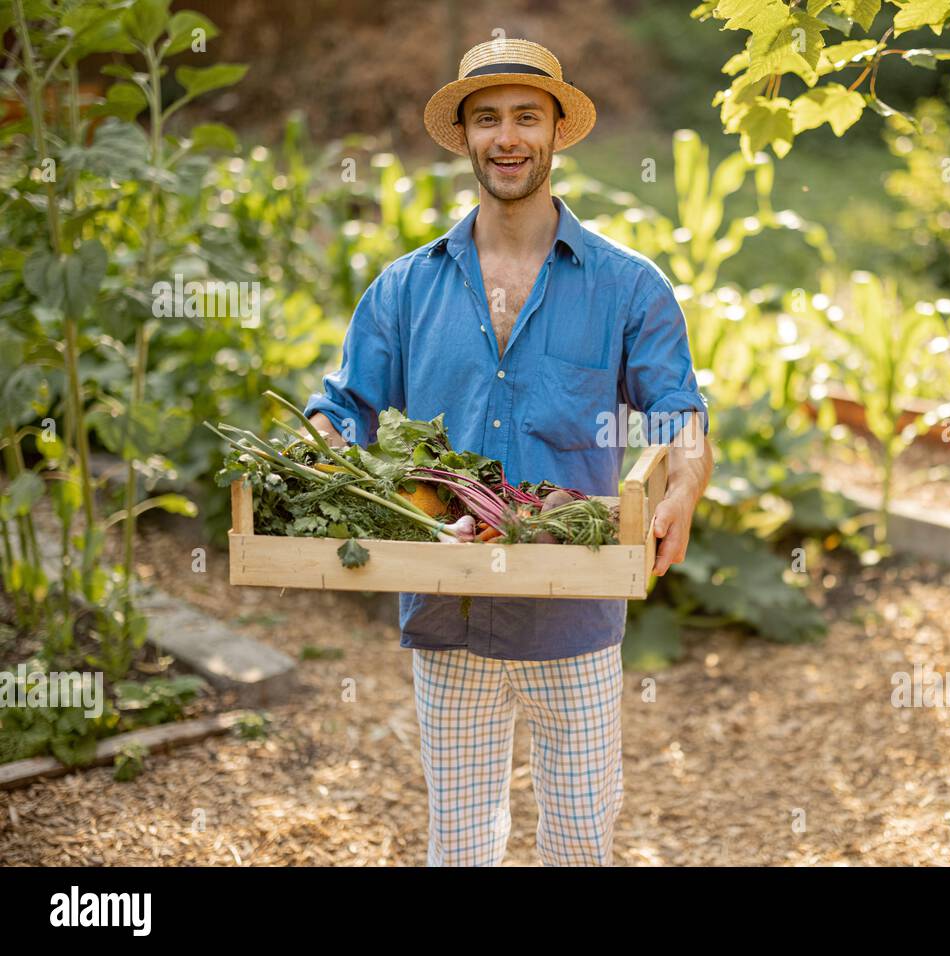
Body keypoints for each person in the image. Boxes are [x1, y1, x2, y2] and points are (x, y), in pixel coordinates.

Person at [302, 38, 713, 865]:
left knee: (578, 843)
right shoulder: (406, 288)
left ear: (558, 129)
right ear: (465, 136)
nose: (508, 136)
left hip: (574, 612)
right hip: (445, 605)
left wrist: (683, 486)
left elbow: (678, 413)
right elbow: (340, 407)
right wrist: (319, 458)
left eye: (527, 115)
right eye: (487, 119)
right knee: (459, 844)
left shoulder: (626, 285)